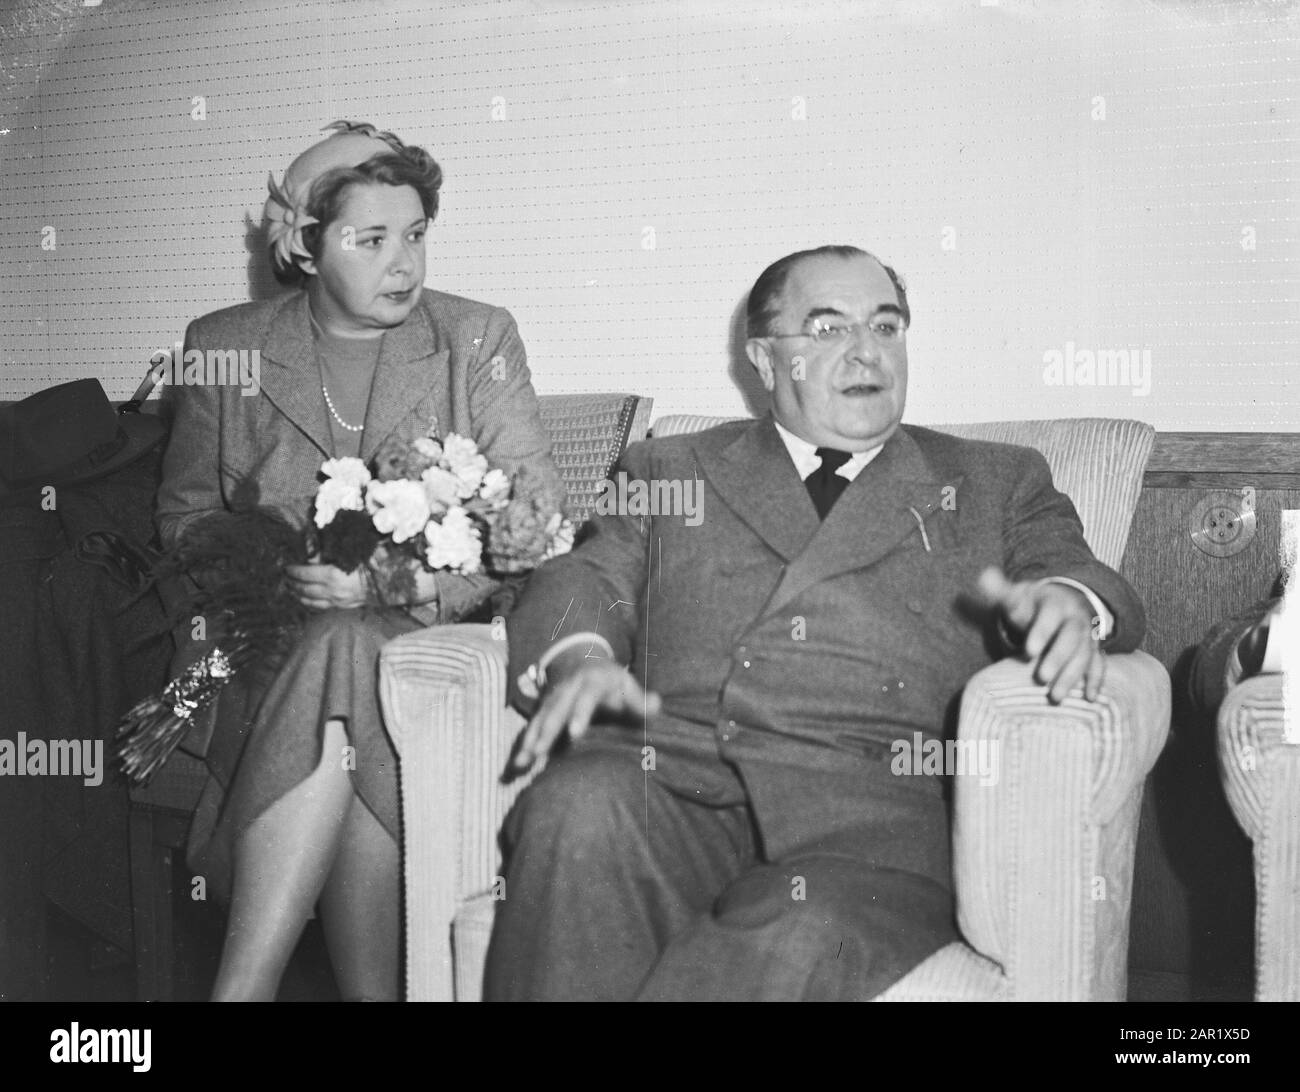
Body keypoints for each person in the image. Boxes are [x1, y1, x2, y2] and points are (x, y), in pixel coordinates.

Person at [484, 244, 1146, 1001]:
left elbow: (1077, 572)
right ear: (765, 360)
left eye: (887, 327)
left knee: (789, 936)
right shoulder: (671, 470)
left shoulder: (992, 480)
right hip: (680, 784)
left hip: (867, 822)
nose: (868, 352)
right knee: (576, 804)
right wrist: (581, 657)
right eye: (828, 329)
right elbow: (587, 576)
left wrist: (1068, 603)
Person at [155, 121, 562, 1001]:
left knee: (354, 647)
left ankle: (241, 990)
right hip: (258, 653)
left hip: (427, 643)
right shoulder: (224, 343)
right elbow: (185, 522)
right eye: (370, 239)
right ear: (304, 247)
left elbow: (535, 519)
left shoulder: (477, 338)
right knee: (340, 654)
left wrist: (400, 581)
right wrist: (278, 578)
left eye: (414, 235)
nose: (403, 264)